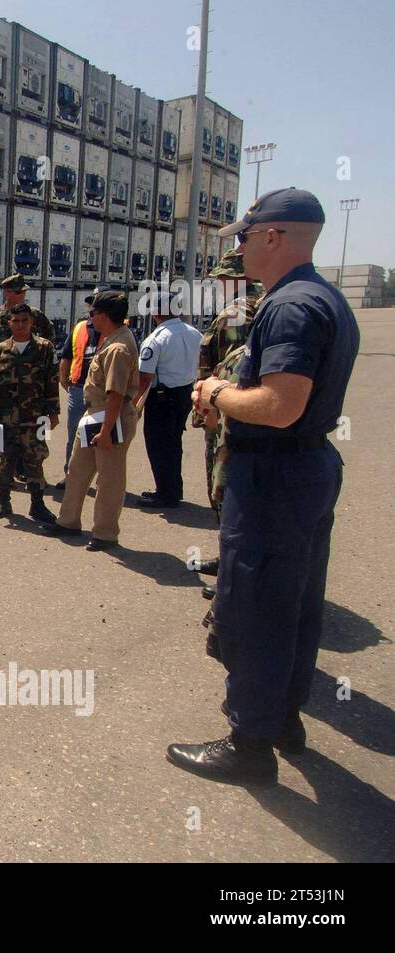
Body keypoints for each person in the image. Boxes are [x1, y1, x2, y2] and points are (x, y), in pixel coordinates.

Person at [168, 187, 359, 784]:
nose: (240, 251)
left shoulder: (290, 306)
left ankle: (249, 742)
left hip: (273, 472)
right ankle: (281, 720)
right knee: (294, 604)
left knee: (253, 607)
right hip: (305, 469)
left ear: (273, 236)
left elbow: (279, 405)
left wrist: (216, 393)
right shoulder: (323, 296)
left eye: (245, 239)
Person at [42, 291, 140, 551]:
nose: (90, 318)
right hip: (96, 414)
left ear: (104, 316)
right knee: (77, 470)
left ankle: (105, 534)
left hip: (110, 416)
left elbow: (116, 394)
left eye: (93, 313)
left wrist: (106, 431)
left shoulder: (118, 347)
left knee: (109, 479)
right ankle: (68, 521)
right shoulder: (111, 338)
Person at [189, 250, 261, 576]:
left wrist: (209, 410)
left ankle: (233, 573)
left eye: (221, 278)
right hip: (247, 417)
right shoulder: (265, 304)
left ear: (235, 277)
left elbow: (229, 368)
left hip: (226, 417)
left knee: (223, 491)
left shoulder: (237, 312)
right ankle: (229, 560)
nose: (218, 283)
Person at [0, 275, 56, 479]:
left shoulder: (35, 315)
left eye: (23, 292)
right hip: (2, 381)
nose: (22, 295)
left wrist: (40, 358)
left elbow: (50, 336)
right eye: (17, 292)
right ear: (6, 292)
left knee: (33, 429)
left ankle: (26, 468)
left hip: (31, 384)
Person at [0, 304, 59, 524]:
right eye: (16, 321)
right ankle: (3, 501)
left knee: (36, 458)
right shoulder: (0, 349)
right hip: (5, 417)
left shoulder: (45, 348)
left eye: (25, 320)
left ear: (32, 322)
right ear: (9, 323)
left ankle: (37, 505)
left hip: (37, 417)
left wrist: (53, 412)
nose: (20, 324)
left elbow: (52, 382)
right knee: (5, 459)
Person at [134, 300, 202, 508]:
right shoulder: (194, 333)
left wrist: (134, 404)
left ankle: (165, 493)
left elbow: (145, 377)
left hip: (162, 397)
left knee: (158, 444)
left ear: (155, 313)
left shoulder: (155, 339)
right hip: (185, 393)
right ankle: (173, 487)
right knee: (173, 442)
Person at [57, 291, 105, 487]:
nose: (92, 310)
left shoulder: (119, 331)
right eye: (91, 305)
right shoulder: (79, 328)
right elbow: (66, 355)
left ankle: (103, 479)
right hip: (77, 389)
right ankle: (71, 475)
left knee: (103, 437)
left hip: (104, 394)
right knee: (74, 436)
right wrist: (63, 378)